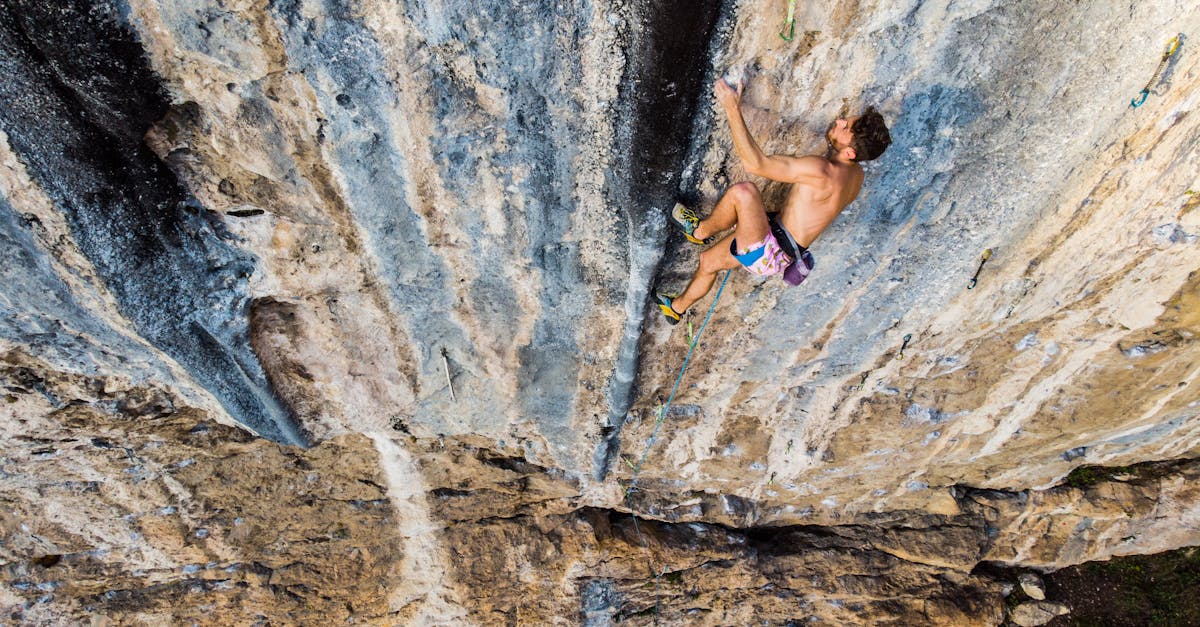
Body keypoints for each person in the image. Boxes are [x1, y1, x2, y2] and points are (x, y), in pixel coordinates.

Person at [657, 78, 891, 325]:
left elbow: (755, 164)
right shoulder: (856, 175)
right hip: (780, 251)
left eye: (846, 127)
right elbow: (812, 209)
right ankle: (676, 309)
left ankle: (699, 231)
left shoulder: (822, 170)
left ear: (850, 153)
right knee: (708, 262)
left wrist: (731, 107)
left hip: (769, 248)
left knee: (744, 193)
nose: (840, 121)